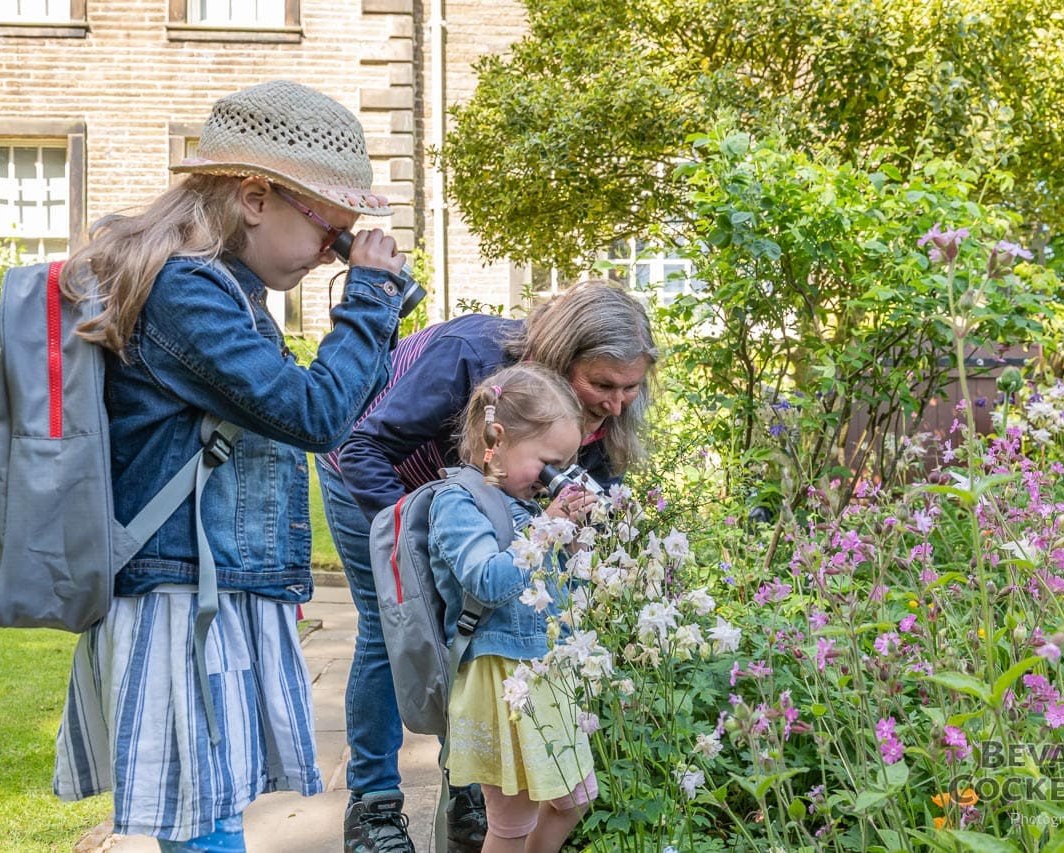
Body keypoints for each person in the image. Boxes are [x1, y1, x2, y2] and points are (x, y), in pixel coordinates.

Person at [51, 80, 409, 850]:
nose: (331, 254)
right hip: (179, 596)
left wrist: (376, 310)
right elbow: (313, 416)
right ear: (253, 197)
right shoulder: (186, 290)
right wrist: (371, 294)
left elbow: (330, 403)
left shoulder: (226, 291)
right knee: (202, 827)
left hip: (215, 589)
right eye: (330, 231)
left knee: (211, 818)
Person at [317, 281, 657, 852]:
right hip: (376, 468)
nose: (617, 403)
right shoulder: (473, 357)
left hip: (490, 491)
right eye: (602, 385)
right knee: (395, 626)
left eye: (631, 388)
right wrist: (420, 547)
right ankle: (373, 806)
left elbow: (579, 515)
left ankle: (477, 788)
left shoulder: (593, 417)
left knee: (484, 628)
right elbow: (364, 450)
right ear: (561, 355)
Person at [431, 363, 600, 853]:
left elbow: (553, 584)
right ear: (498, 439)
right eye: (548, 462)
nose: (554, 478)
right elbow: (486, 580)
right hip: (499, 678)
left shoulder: (524, 504)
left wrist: (574, 539)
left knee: (576, 797)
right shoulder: (458, 502)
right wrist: (547, 527)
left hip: (540, 672)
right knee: (512, 821)